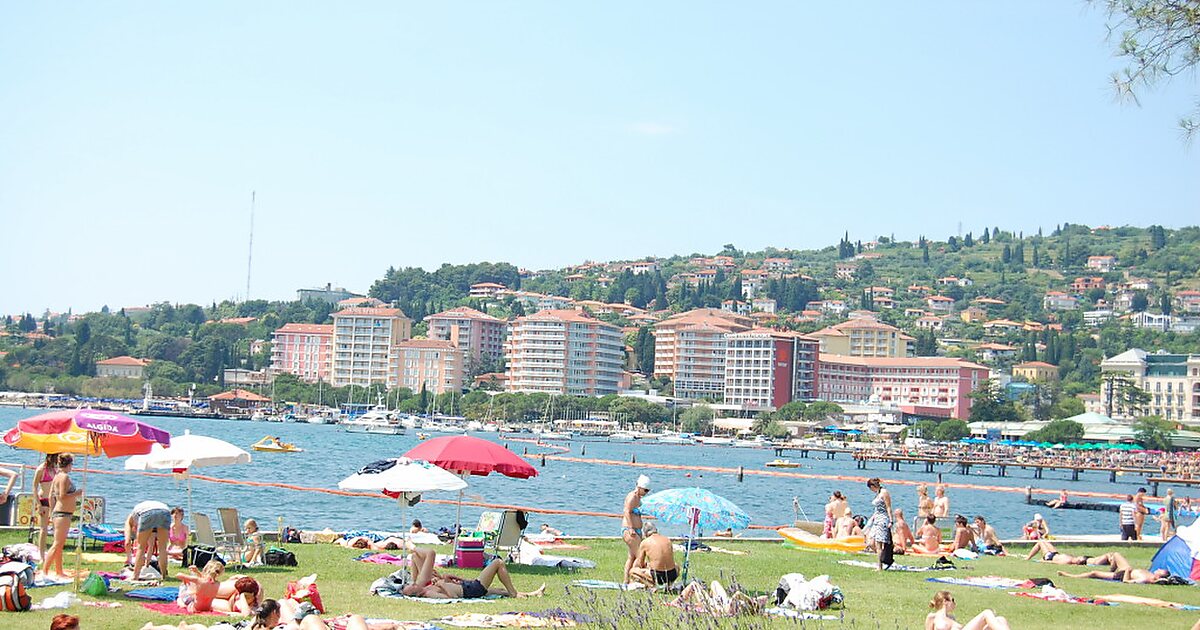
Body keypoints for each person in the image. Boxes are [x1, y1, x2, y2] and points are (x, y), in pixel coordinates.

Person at [402, 547, 545, 599]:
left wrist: (445, 579)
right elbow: (451, 597)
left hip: (469, 587)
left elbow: (452, 588)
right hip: (472, 589)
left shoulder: (426, 587)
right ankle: (514, 594)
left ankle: (533, 594)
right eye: (413, 585)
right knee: (498, 563)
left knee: (501, 591)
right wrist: (441, 583)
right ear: (418, 592)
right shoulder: (429, 593)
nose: (413, 582)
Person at [44, 454, 81, 580]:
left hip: (59, 513)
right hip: (62, 513)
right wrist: (77, 493)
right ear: (69, 464)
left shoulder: (56, 477)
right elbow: (62, 496)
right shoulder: (64, 477)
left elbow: (51, 496)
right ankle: (45, 570)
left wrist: (51, 513)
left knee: (59, 545)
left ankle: (59, 570)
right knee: (57, 544)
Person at [126, 499, 172, 581]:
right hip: (165, 512)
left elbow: (127, 542)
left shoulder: (131, 518)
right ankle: (164, 575)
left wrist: (128, 558)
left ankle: (135, 576)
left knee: (141, 547)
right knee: (162, 547)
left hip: (147, 513)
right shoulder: (139, 510)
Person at [1056, 552, 1171, 584]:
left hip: (1122, 575)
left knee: (1094, 572)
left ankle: (1070, 575)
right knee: (1115, 555)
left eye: (1161, 570)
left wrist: (1127, 571)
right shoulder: (1151, 575)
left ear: (1160, 575)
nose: (1158, 569)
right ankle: (1111, 569)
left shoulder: (1147, 579)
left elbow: (1127, 582)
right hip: (1124, 572)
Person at [670, 580, 766, 616]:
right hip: (722, 601)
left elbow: (738, 593)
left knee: (694, 585)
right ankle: (677, 601)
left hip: (713, 605)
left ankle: (677, 601)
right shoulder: (740, 606)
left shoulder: (729, 609)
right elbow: (764, 597)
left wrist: (752, 602)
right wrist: (751, 601)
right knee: (714, 583)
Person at [924, 590, 1010, 630]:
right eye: (952, 600)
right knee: (987, 613)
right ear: (945, 601)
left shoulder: (952, 618)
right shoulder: (932, 617)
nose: (955, 603)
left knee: (1000, 619)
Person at [628, 523, 678, 589]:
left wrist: (645, 566)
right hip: (672, 574)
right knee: (677, 566)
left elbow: (640, 563)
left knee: (633, 571)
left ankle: (651, 585)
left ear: (645, 533)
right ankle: (669, 584)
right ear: (656, 530)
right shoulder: (667, 540)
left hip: (658, 576)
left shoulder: (645, 542)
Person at [621, 474, 651, 583]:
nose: (646, 493)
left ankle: (626, 581)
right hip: (630, 529)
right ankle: (635, 580)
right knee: (640, 557)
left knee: (632, 557)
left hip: (636, 530)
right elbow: (627, 512)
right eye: (645, 490)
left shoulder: (638, 498)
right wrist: (630, 528)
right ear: (639, 487)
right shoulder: (632, 497)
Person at [32, 453, 59, 563]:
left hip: (54, 500)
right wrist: (38, 504)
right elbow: (34, 486)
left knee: (56, 529)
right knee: (44, 529)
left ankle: (53, 554)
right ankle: (42, 556)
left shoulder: (55, 469)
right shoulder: (41, 469)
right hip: (44, 500)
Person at [865, 477, 893, 570]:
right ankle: (882, 559)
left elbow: (888, 507)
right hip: (876, 519)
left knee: (878, 544)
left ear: (873, 486)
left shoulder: (884, 492)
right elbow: (877, 509)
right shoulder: (878, 493)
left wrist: (891, 520)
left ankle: (880, 566)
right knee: (870, 542)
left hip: (883, 519)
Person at [1023, 540, 1115, 566]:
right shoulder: (1073, 558)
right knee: (1045, 541)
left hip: (1049, 557)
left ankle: (1028, 557)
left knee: (1040, 542)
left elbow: (1053, 562)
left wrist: (1042, 561)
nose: (1080, 557)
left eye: (1080, 559)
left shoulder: (1068, 562)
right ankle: (1109, 557)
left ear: (1078, 563)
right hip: (1055, 554)